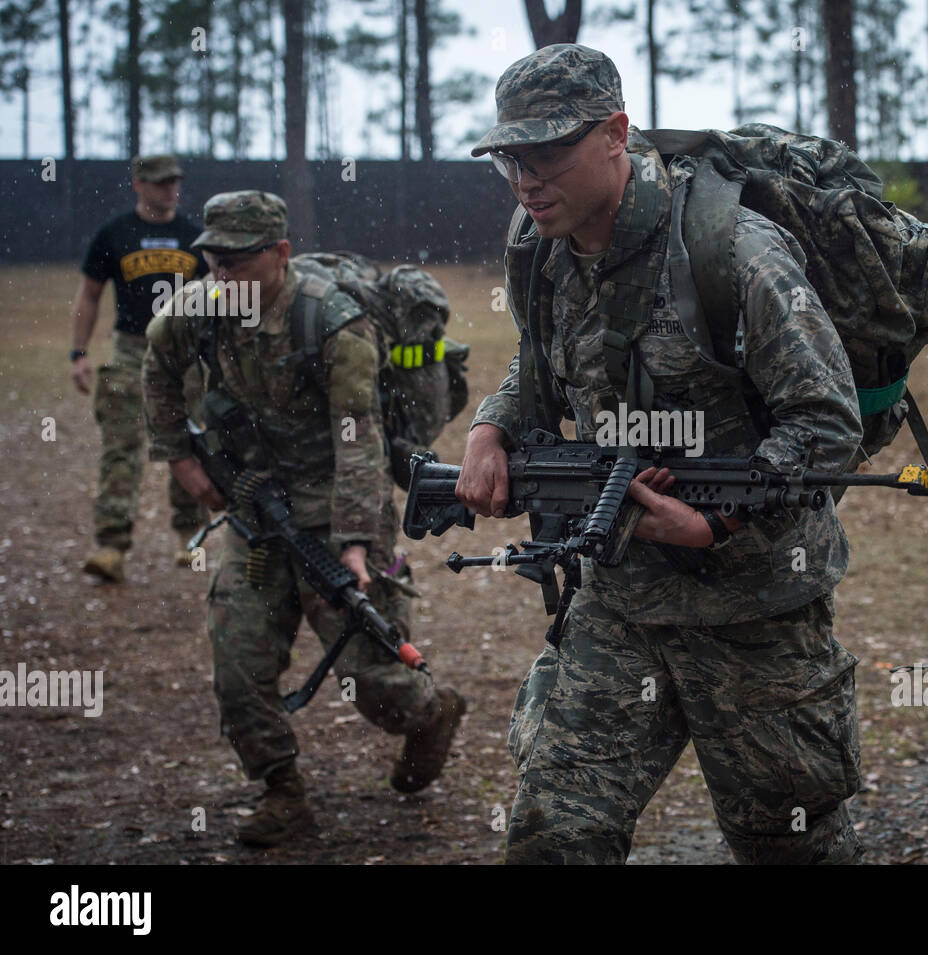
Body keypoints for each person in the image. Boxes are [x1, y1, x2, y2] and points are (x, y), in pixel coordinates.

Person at [457, 44, 867, 864]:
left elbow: (825, 424)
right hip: (621, 600)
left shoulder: (734, 252)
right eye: (511, 158)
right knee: (554, 832)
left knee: (790, 845)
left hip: (755, 606)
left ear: (616, 132)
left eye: (549, 153)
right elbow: (542, 361)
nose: (526, 179)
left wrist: (713, 525)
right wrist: (491, 425)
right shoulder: (540, 248)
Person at [142, 190, 465, 847]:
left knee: (376, 682)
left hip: (338, 497)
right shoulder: (196, 311)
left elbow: (360, 436)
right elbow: (157, 369)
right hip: (256, 504)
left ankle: (432, 712)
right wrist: (179, 458)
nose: (222, 275)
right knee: (237, 665)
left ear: (280, 255)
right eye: (213, 260)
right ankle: (283, 792)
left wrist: (353, 539)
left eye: (238, 260)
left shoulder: (332, 321)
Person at [73, 154, 210, 583]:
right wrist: (78, 354)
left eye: (175, 182)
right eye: (160, 183)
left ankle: (191, 538)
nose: (170, 190)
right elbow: (90, 295)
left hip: (186, 352)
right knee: (121, 444)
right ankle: (111, 545)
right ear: (139, 184)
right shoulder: (115, 234)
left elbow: (218, 297)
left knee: (194, 443)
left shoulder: (194, 236)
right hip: (132, 349)